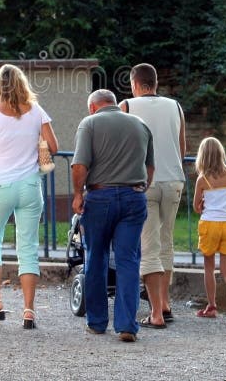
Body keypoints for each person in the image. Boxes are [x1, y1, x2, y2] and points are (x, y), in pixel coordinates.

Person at [0, 64, 58, 329]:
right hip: (30, 186)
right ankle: (28, 310)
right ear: (22, 84)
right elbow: (53, 146)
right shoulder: (37, 111)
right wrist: (35, 146)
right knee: (27, 248)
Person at [71, 89, 154, 343]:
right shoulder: (140, 124)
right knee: (128, 260)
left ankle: (97, 323)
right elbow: (150, 166)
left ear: (93, 107)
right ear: (115, 104)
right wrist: (141, 188)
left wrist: (77, 194)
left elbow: (80, 164)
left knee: (96, 257)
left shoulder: (89, 123)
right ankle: (127, 325)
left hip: (100, 197)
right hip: (134, 197)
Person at [120, 63, 186, 328]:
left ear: (135, 84)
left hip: (144, 182)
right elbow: (182, 148)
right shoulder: (176, 106)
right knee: (166, 242)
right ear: (156, 83)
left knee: (148, 246)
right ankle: (166, 303)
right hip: (174, 180)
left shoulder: (127, 106)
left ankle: (156, 313)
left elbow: (124, 148)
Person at [192, 136, 226, 320]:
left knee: (209, 268)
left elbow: (196, 206)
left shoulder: (202, 179)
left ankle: (212, 307)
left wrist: (202, 204)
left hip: (210, 224)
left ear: (202, 156)